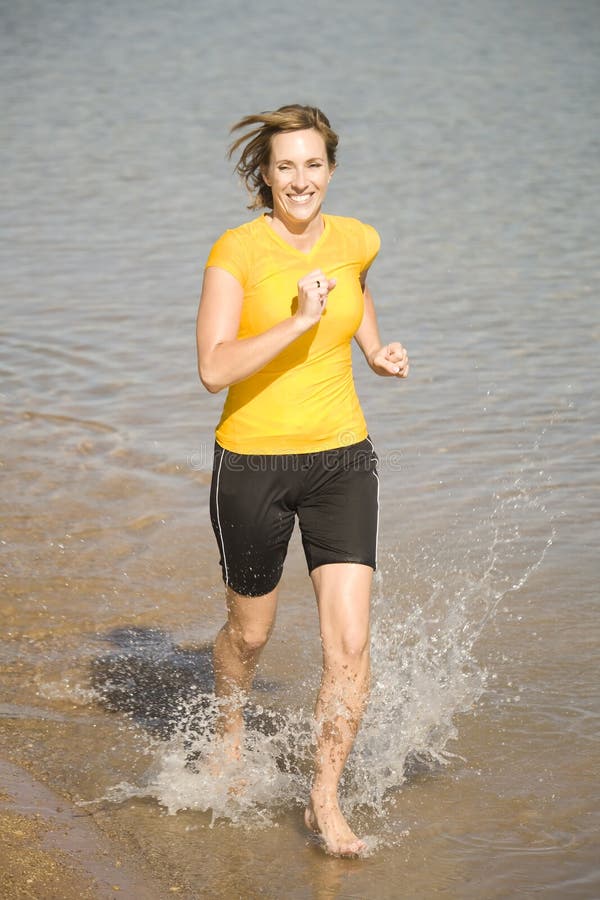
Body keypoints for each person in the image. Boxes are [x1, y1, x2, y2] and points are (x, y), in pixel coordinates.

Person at [196, 104, 409, 857]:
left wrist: (372, 349)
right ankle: (228, 728)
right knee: (250, 634)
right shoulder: (237, 251)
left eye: (313, 164)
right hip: (251, 465)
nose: (300, 179)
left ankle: (325, 798)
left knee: (349, 641)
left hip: (343, 460)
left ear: (331, 169)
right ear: (265, 173)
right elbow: (212, 367)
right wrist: (296, 321)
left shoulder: (357, 238)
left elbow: (357, 287)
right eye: (285, 166)